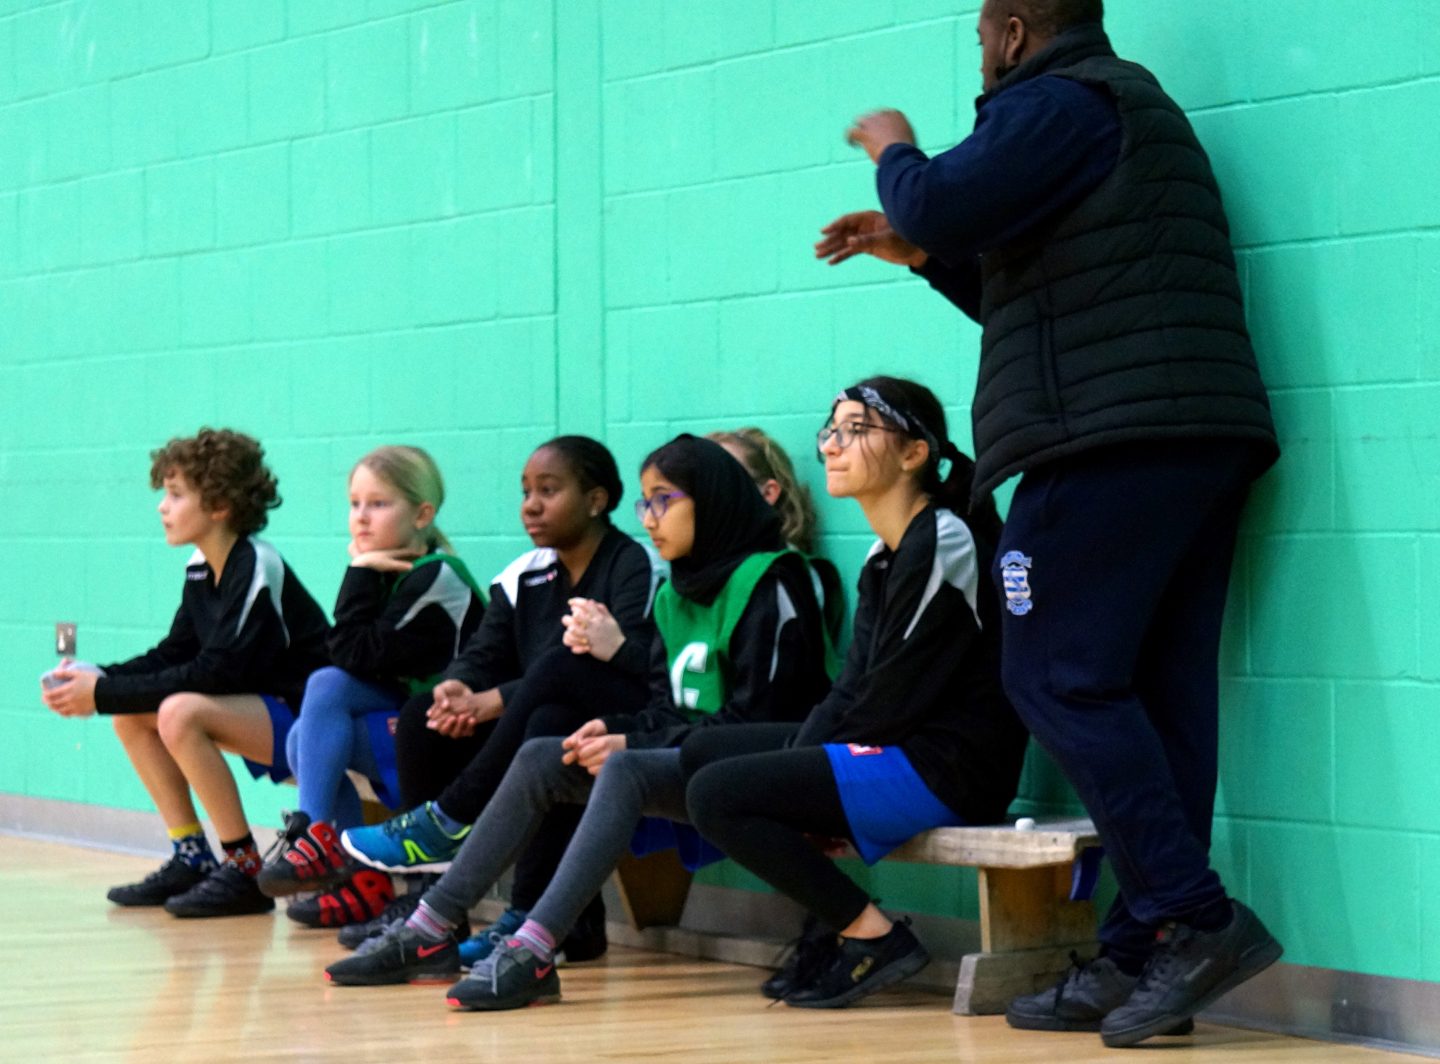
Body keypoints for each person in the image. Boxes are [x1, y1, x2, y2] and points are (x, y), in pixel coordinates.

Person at [815, 0, 1282, 1046]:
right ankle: (1141, 944)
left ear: (1015, 29)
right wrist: (924, 258)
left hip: (1109, 440)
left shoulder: (1062, 99)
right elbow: (1034, 294)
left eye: (981, 32)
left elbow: (933, 193)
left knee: (1053, 674)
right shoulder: (1112, 118)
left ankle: (1198, 918)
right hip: (1182, 430)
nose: (977, 52)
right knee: (1154, 698)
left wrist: (890, 142)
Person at [322, 434, 832, 1003]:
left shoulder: (775, 580)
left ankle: (534, 944)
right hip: (689, 753)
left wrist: (632, 744)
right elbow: (666, 706)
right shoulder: (676, 595)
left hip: (764, 761)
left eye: (663, 500)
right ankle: (430, 926)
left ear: (710, 499)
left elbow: (764, 717)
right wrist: (622, 733)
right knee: (549, 749)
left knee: (619, 762)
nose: (649, 519)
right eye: (645, 504)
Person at [681, 377, 1028, 1009]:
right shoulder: (881, 554)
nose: (834, 445)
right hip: (894, 747)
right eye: (830, 431)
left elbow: (893, 694)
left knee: (715, 794)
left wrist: (811, 782)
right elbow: (852, 688)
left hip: (946, 766)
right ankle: (836, 922)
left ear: (914, 453)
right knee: (705, 754)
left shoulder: (944, 538)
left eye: (856, 429)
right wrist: (805, 771)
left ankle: (871, 937)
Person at [332, 437, 657, 949]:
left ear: (596, 500)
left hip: (609, 724)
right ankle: (433, 907)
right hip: (528, 721)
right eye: (526, 491)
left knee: (548, 724)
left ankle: (517, 898)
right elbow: (484, 651)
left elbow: (609, 663)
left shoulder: (631, 565)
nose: (531, 504)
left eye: (548, 490)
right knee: (423, 716)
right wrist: (458, 687)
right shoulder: (524, 572)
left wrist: (491, 702)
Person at [40, 428, 329, 918]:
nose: (162, 507)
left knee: (177, 711)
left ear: (219, 505)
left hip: (307, 724)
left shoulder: (256, 564)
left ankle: (242, 868)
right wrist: (96, 677)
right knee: (130, 715)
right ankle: (191, 855)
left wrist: (104, 691)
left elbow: (216, 671)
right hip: (259, 714)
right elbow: (175, 653)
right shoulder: (202, 566)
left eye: (175, 495)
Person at [256, 446, 484, 928]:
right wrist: (366, 573)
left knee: (317, 717)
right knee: (311, 723)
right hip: (410, 718)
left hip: (454, 738)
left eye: (378, 504)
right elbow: (344, 657)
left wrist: (357, 572)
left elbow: (352, 652)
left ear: (423, 513)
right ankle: (344, 863)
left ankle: (327, 850)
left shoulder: (437, 576)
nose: (361, 518)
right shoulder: (388, 571)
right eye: (355, 503)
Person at [707, 427, 846, 647]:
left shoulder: (785, 573)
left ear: (768, 493)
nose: (708, 492)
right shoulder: (697, 567)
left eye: (725, 480)